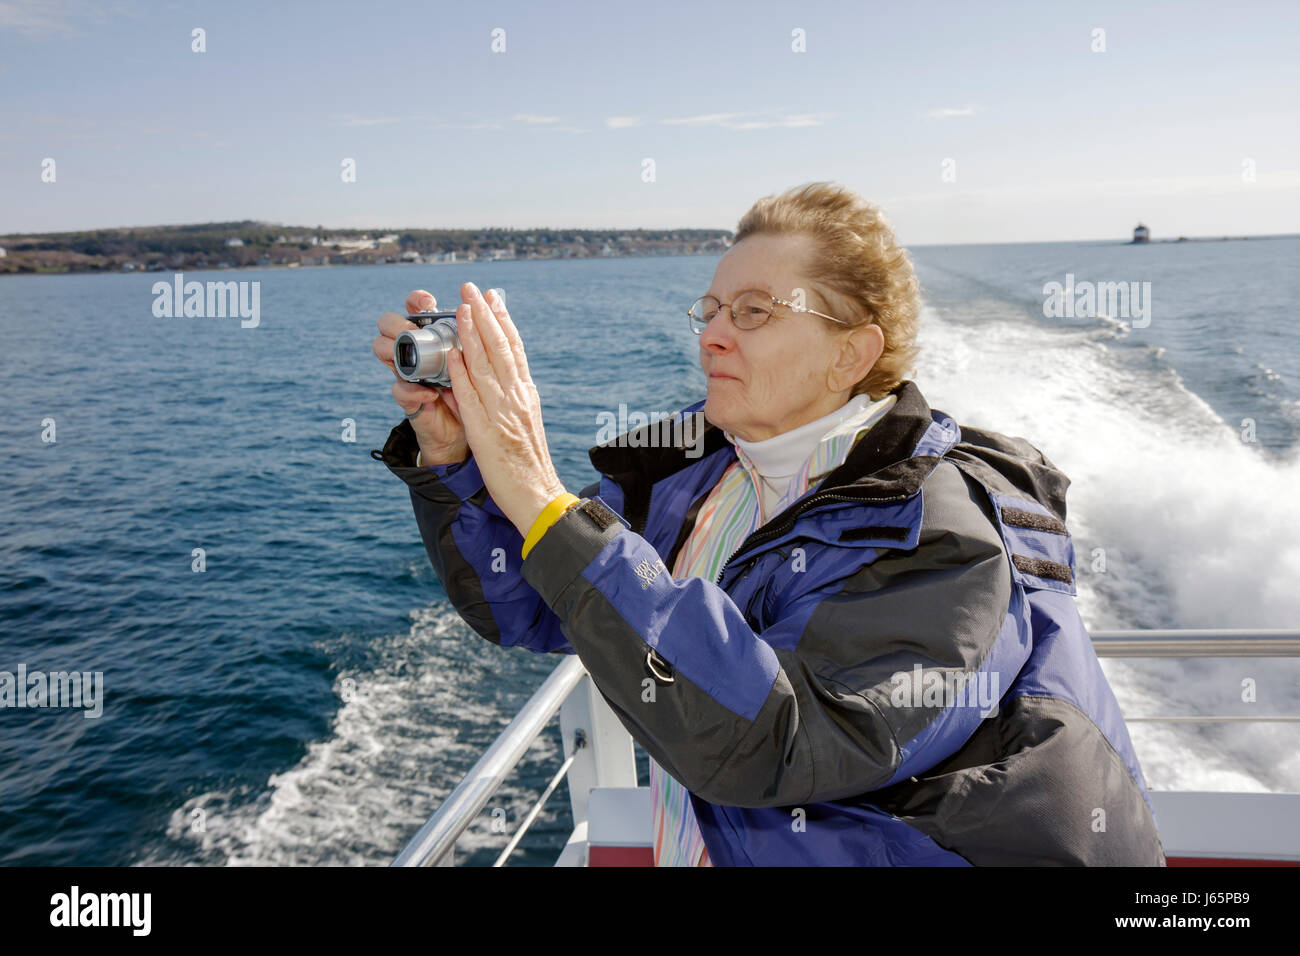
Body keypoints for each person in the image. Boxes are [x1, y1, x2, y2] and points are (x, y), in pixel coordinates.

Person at [371, 182, 1166, 866]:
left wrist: (542, 495)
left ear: (851, 354)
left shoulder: (943, 535)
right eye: (712, 308)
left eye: (754, 312)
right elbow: (531, 603)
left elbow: (777, 741)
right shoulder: (696, 464)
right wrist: (459, 464)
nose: (712, 333)